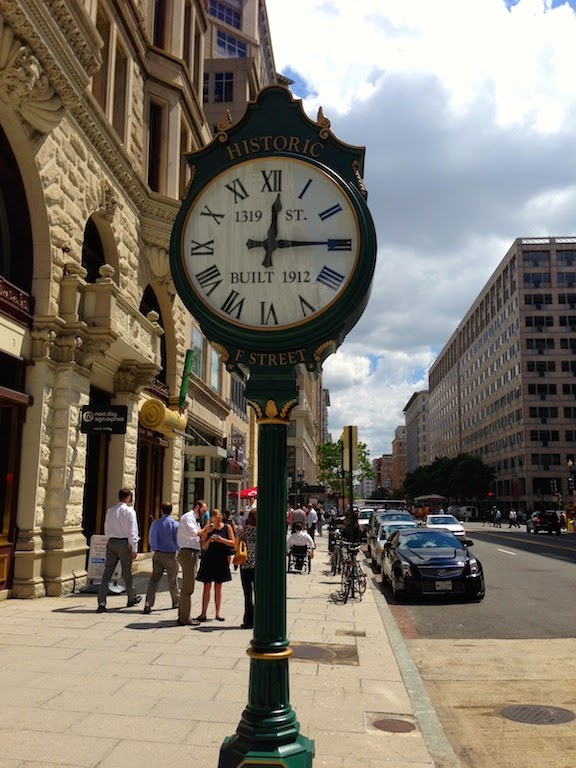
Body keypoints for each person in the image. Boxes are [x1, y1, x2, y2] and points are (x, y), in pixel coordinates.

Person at [97, 489, 141, 612]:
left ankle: (101, 601)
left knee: (107, 573)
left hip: (111, 541)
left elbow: (106, 527)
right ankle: (131, 597)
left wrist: (109, 539)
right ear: (127, 498)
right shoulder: (129, 511)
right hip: (124, 542)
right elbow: (133, 531)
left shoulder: (110, 511)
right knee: (127, 572)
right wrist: (134, 547)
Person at [196, 508, 235, 621]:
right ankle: (203, 613)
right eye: (214, 519)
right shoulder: (208, 528)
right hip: (209, 559)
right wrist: (209, 539)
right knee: (206, 586)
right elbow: (203, 546)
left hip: (221, 559)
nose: (216, 521)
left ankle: (218, 613)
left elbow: (233, 543)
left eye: (218, 519)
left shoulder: (226, 527)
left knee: (218, 586)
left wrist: (221, 540)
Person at [143, 501, 180, 614]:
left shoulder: (155, 523)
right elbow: (177, 540)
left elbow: (151, 538)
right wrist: (178, 550)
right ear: (171, 510)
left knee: (154, 579)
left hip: (158, 553)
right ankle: (176, 601)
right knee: (172, 579)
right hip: (170, 554)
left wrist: (153, 547)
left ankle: (148, 603)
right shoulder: (174, 524)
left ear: (161, 510)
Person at [176, 499, 206, 626]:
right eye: (203, 510)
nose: (204, 513)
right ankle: (184, 617)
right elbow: (196, 533)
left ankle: (184, 614)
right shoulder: (188, 518)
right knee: (187, 586)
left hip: (192, 552)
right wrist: (208, 529)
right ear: (197, 507)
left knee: (189, 585)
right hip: (188, 553)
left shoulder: (195, 519)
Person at [238, 509, 257, 629]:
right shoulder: (261, 531)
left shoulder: (243, 531)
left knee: (247, 594)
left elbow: (236, 545)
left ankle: (248, 619)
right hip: (257, 566)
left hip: (245, 565)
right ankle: (258, 618)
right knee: (258, 593)